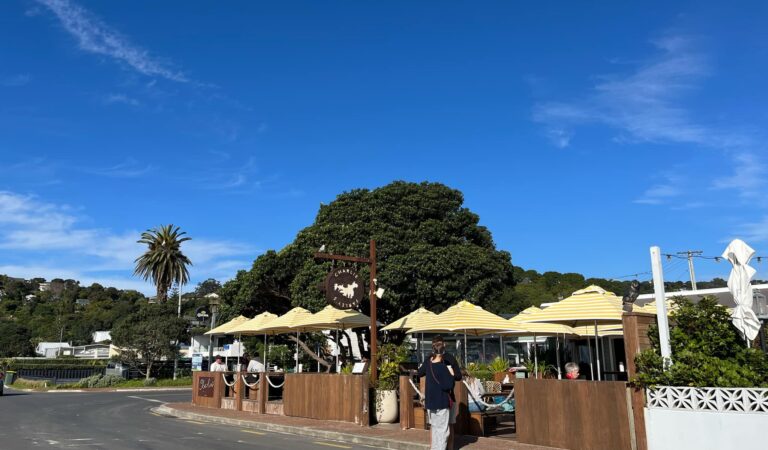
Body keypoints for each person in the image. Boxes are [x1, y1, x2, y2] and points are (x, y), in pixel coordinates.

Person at [418, 340, 456, 450]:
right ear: (443, 352)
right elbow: (448, 385)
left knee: (434, 429)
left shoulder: (428, 363)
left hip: (430, 402)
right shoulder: (442, 367)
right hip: (441, 402)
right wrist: (452, 375)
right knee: (443, 431)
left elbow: (420, 373)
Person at [432, 335, 461, 450]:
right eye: (437, 344)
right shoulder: (430, 359)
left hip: (449, 397)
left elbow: (458, 376)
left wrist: (450, 373)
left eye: (440, 344)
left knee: (449, 425)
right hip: (435, 398)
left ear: (444, 345)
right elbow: (421, 373)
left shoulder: (450, 358)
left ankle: (450, 448)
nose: (439, 346)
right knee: (435, 427)